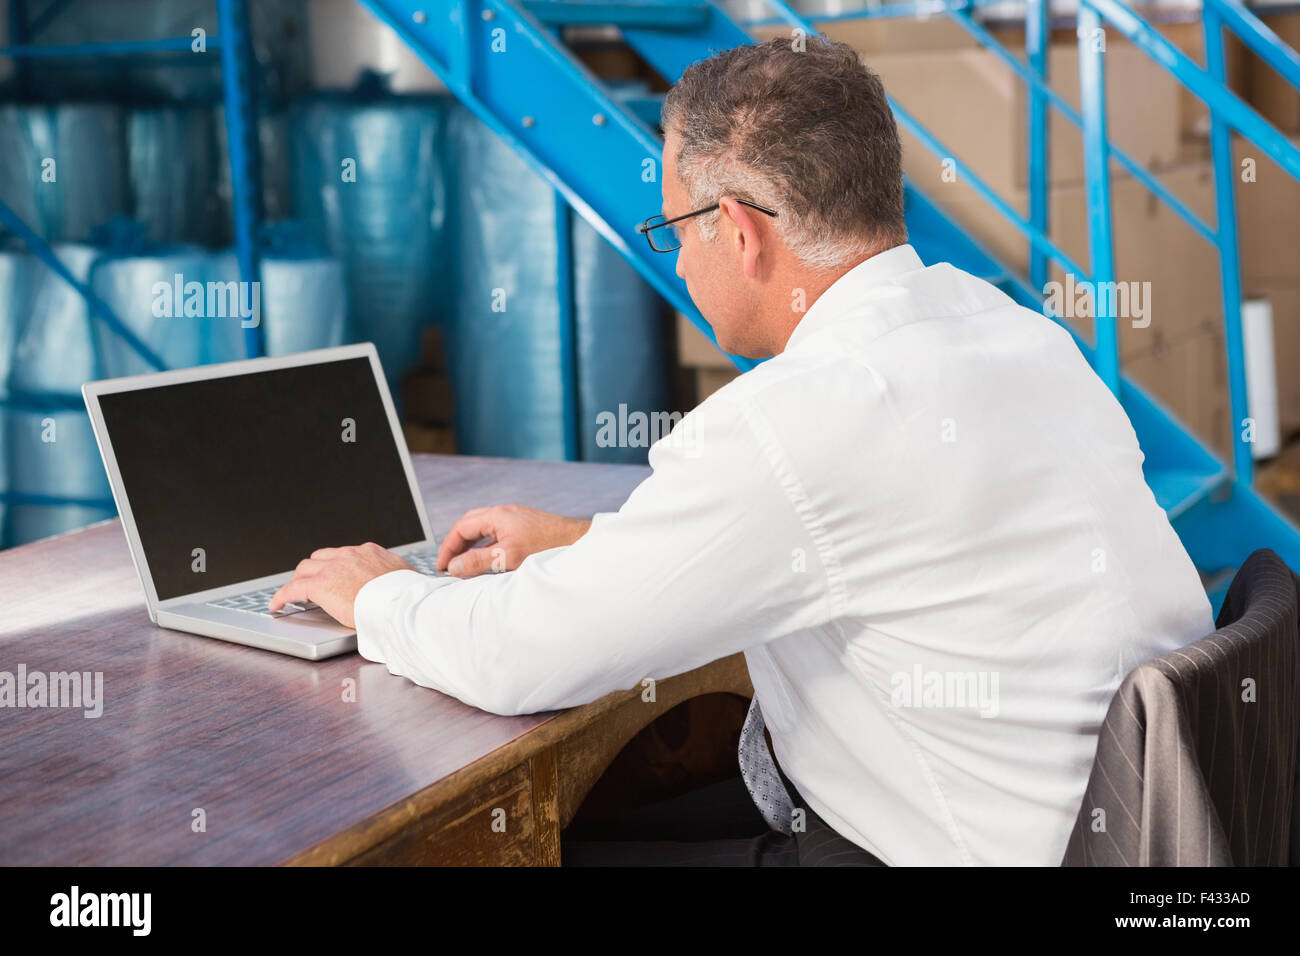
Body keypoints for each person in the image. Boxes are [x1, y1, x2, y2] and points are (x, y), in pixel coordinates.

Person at [270, 36, 1214, 866]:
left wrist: (378, 592)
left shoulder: (799, 415)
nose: (677, 263)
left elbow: (523, 658)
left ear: (737, 230)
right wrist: (582, 541)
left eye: (674, 230)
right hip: (1130, 830)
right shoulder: (1012, 332)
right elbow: (861, 535)